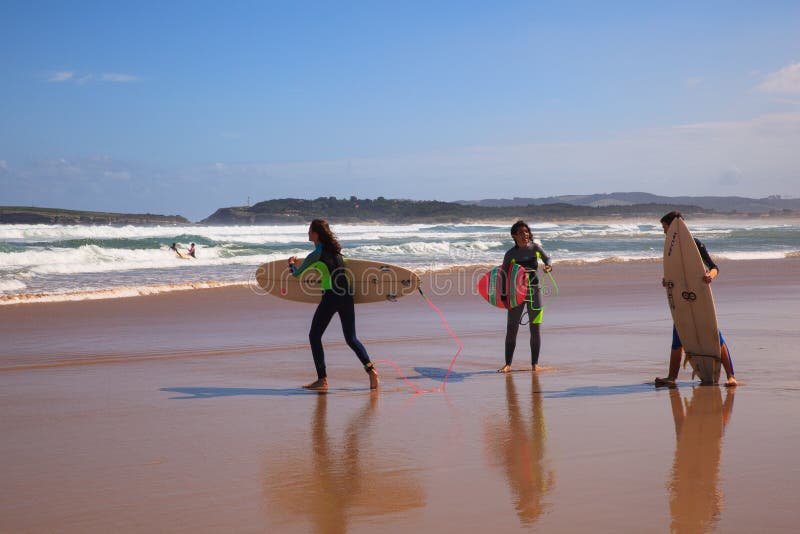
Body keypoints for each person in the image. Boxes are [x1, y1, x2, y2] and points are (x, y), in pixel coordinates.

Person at [288, 219, 379, 391]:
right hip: (346, 295)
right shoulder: (337, 253)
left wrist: (291, 263)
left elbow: (297, 275)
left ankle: (322, 379)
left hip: (331, 297)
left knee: (314, 336)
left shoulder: (316, 254)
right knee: (351, 338)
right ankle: (371, 371)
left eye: (309, 231)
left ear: (316, 234)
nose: (308, 234)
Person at [655, 211, 737, 387]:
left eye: (664, 228)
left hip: (699, 298)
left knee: (715, 336)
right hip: (683, 300)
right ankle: (671, 377)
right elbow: (675, 275)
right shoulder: (671, 250)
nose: (664, 232)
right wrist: (667, 282)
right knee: (678, 338)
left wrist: (710, 276)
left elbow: (714, 267)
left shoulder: (696, 245)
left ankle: (731, 376)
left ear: (674, 226)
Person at [498, 220, 552, 373]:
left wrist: (548, 266)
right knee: (512, 328)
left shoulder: (534, 248)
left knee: (535, 328)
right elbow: (503, 274)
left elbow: (547, 258)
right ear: (514, 236)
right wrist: (503, 294)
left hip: (534, 291)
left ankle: (534, 364)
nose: (525, 234)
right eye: (521, 232)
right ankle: (508, 364)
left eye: (527, 231)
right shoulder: (510, 254)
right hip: (516, 293)